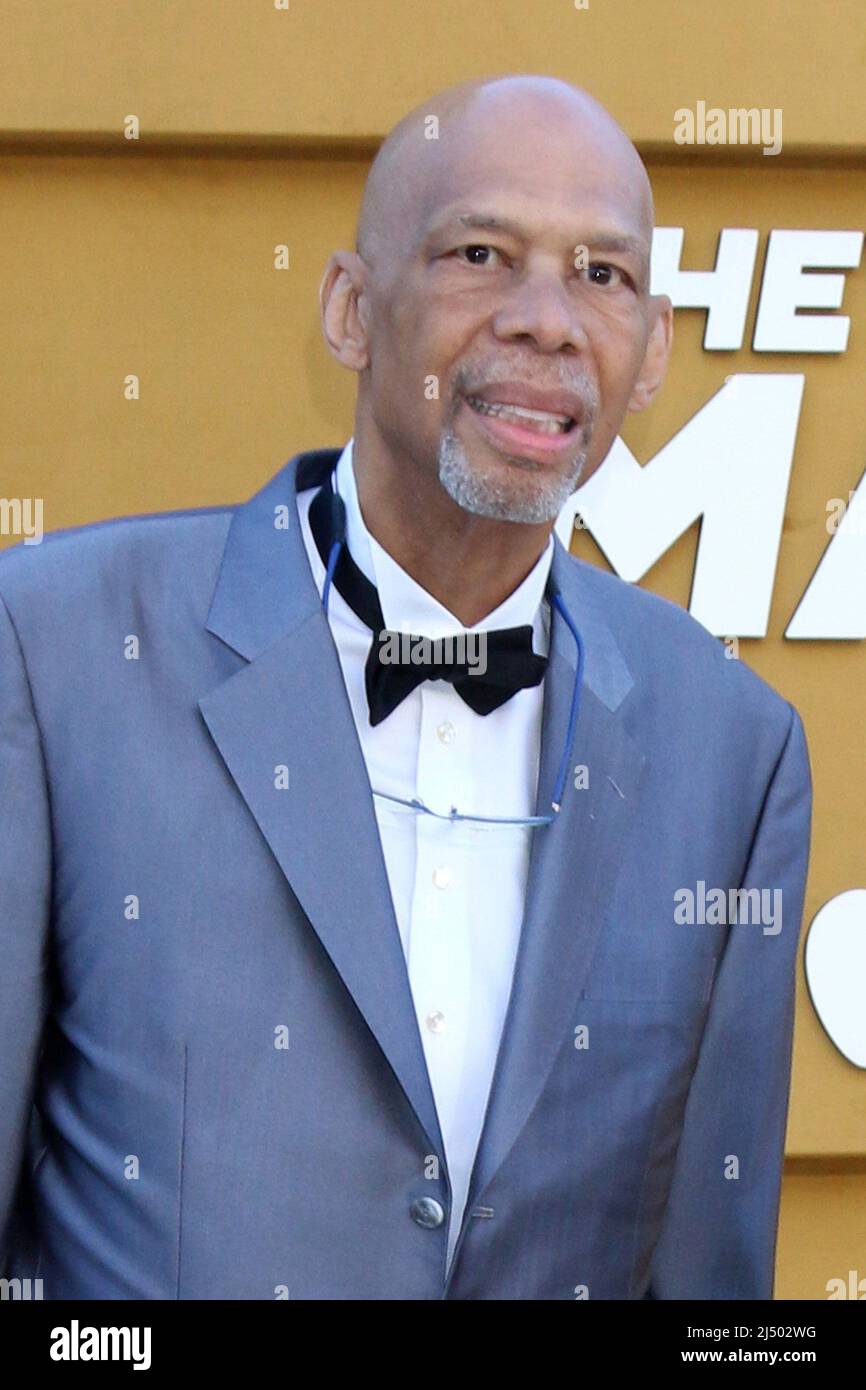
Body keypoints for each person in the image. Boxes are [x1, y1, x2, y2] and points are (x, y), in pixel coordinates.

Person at [0, 74, 811, 1300]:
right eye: (482, 253)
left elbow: (709, 1291)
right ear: (350, 308)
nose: (546, 320)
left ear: (647, 357)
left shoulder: (732, 749)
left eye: (602, 274)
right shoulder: (59, 645)